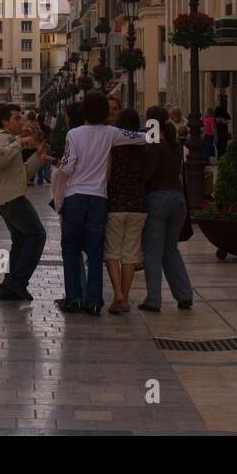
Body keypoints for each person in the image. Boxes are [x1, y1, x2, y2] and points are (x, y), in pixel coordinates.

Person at [52, 91, 147, 315]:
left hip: (75, 197)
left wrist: (58, 176)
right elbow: (144, 137)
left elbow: (67, 167)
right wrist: (155, 124)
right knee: (95, 251)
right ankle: (94, 301)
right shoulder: (111, 133)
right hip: (99, 198)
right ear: (105, 112)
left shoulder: (74, 134)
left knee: (71, 248)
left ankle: (74, 298)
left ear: (84, 110)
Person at [0, 103, 47, 301]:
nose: (21, 122)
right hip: (9, 197)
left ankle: (8, 288)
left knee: (21, 240)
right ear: (4, 121)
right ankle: (16, 282)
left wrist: (38, 157)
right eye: (16, 118)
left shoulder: (10, 140)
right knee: (37, 235)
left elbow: (21, 174)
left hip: (11, 195)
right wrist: (20, 142)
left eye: (21, 118)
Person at [140, 105, 194, 312]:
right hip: (178, 200)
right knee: (171, 249)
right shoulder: (174, 144)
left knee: (153, 250)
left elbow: (147, 174)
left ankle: (153, 299)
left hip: (158, 199)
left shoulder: (154, 144)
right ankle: (184, 295)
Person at [104, 108, 154, 314]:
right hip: (138, 204)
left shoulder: (113, 146)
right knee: (130, 254)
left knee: (112, 251)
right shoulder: (144, 147)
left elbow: (107, 175)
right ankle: (124, 296)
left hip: (115, 204)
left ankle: (117, 294)